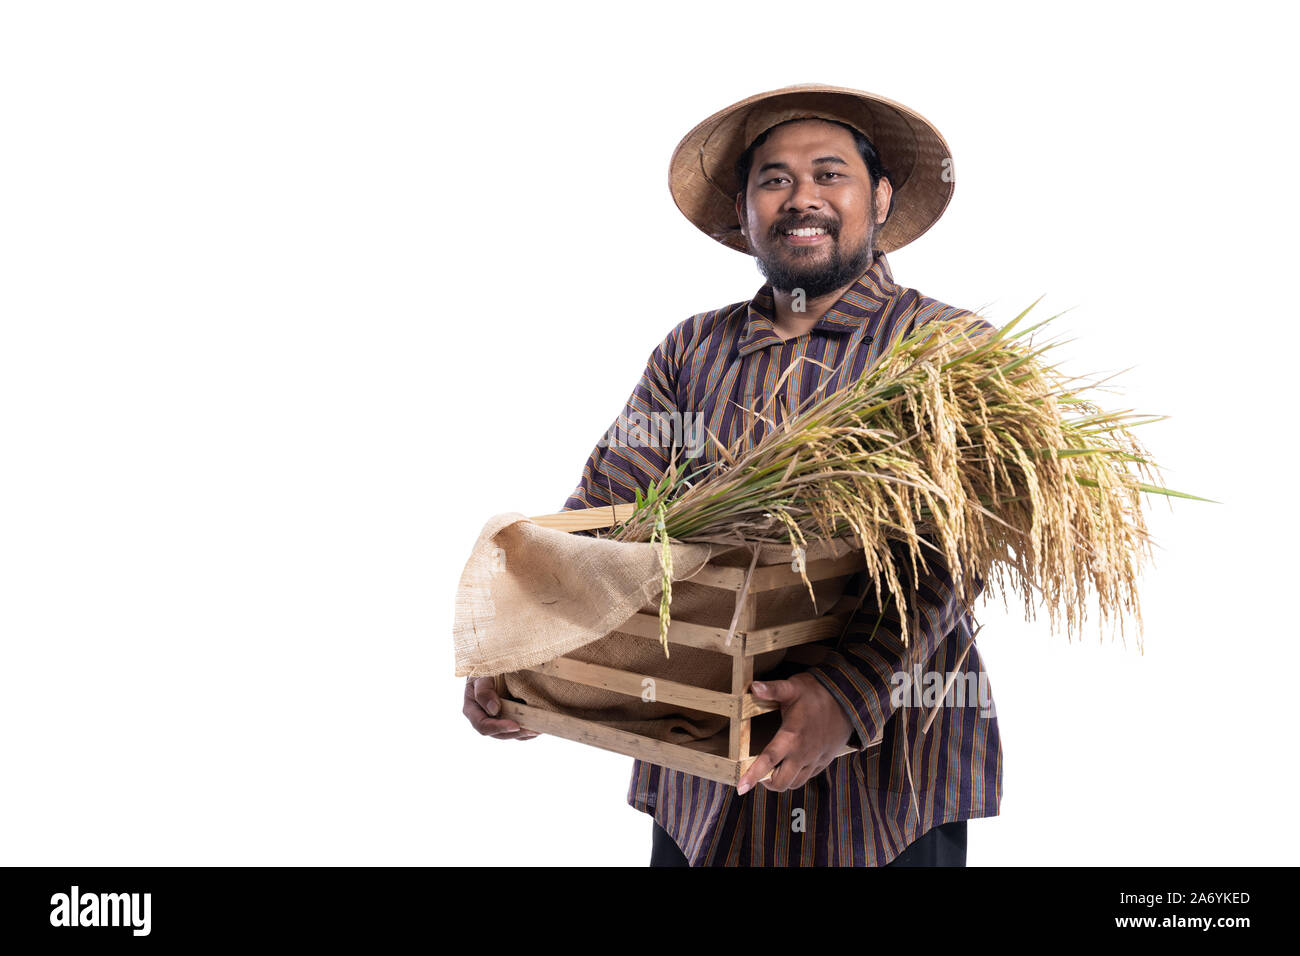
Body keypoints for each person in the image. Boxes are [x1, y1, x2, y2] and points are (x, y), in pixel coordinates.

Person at [463, 84, 1002, 866]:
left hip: (888, 779)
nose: (801, 198)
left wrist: (846, 696)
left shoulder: (945, 346)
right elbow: (612, 510)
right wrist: (527, 651)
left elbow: (957, 553)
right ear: (746, 211)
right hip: (701, 755)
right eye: (774, 180)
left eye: (830, 173)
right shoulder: (693, 350)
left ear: (879, 197)